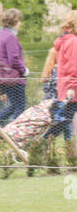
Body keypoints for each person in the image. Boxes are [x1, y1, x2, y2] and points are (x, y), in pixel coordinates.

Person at [41, 11, 77, 140]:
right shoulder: (73, 42)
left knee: (64, 119)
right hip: (72, 88)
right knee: (64, 120)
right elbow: (73, 67)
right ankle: (41, 143)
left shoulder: (64, 41)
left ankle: (41, 143)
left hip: (65, 86)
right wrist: (72, 88)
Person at [0, 8, 29, 126]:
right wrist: (24, 71)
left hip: (2, 77)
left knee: (14, 106)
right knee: (20, 107)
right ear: (14, 21)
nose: (20, 24)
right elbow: (14, 59)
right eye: (19, 21)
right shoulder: (10, 37)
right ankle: (12, 133)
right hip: (13, 78)